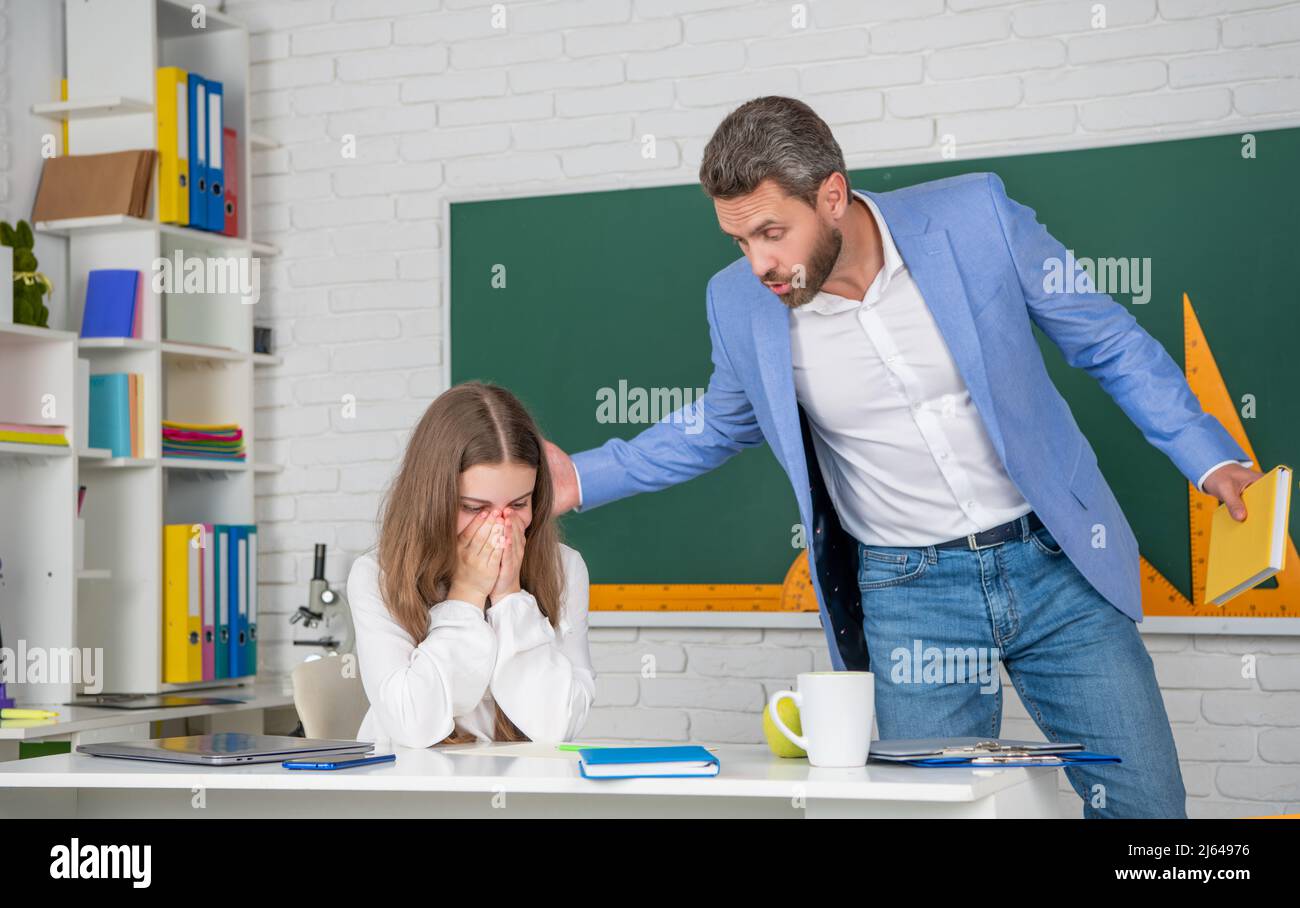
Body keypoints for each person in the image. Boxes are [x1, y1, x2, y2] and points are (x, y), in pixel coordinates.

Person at [543, 96, 1263, 817]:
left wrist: (1211, 458)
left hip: (1058, 567)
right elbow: (717, 426)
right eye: (738, 241)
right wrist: (582, 474)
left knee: (1148, 814)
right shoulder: (739, 303)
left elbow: (1107, 340)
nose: (759, 262)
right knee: (936, 816)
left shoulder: (975, 218)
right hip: (911, 594)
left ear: (831, 195)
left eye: (771, 232)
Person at [348, 381, 595, 749]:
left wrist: (510, 597)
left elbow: (557, 726)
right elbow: (412, 726)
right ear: (433, 498)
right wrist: (466, 595)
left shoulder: (565, 568)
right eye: (474, 509)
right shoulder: (376, 575)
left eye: (518, 505)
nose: (499, 526)